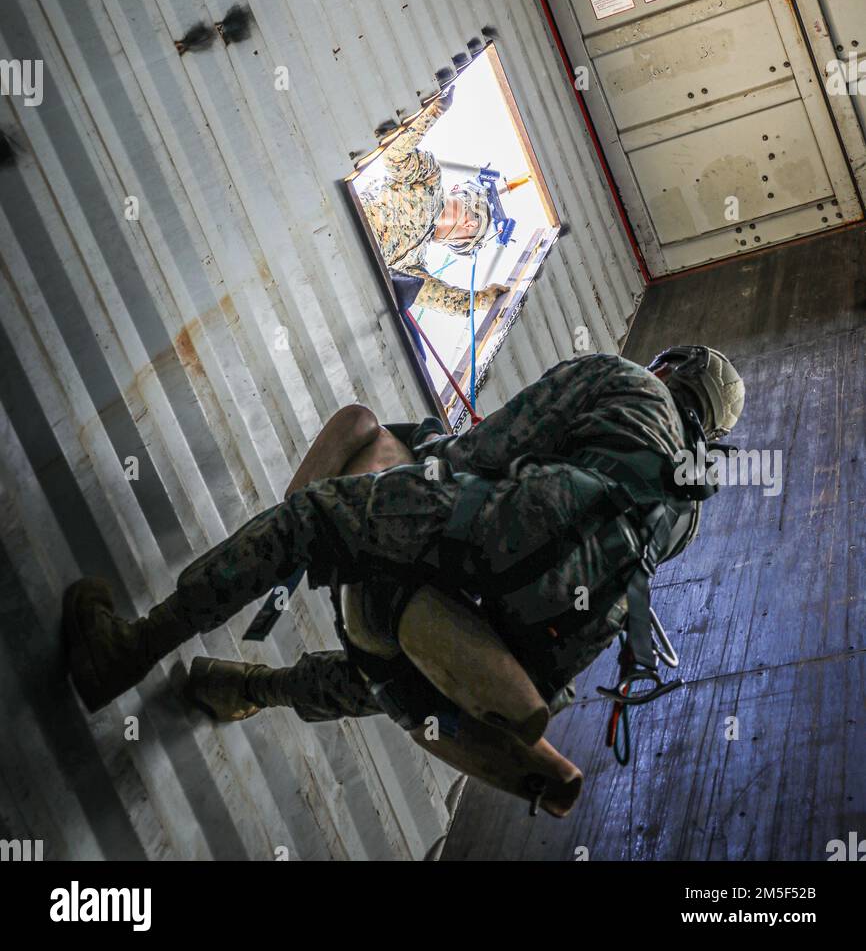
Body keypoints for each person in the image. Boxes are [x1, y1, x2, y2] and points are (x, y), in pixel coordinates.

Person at [63, 345, 744, 816]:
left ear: (671, 367)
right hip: (538, 649)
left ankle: (129, 649)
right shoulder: (687, 512)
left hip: (494, 543)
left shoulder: (625, 380)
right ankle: (243, 688)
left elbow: (492, 448)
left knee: (313, 519)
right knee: (389, 676)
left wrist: (423, 456)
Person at [359, 87, 508, 316]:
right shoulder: (430, 179)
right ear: (469, 225)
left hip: (352, 263)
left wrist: (479, 300)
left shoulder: (412, 262)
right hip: (347, 219)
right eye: (473, 224)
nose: (468, 224)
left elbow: (431, 295)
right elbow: (394, 156)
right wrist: (434, 111)